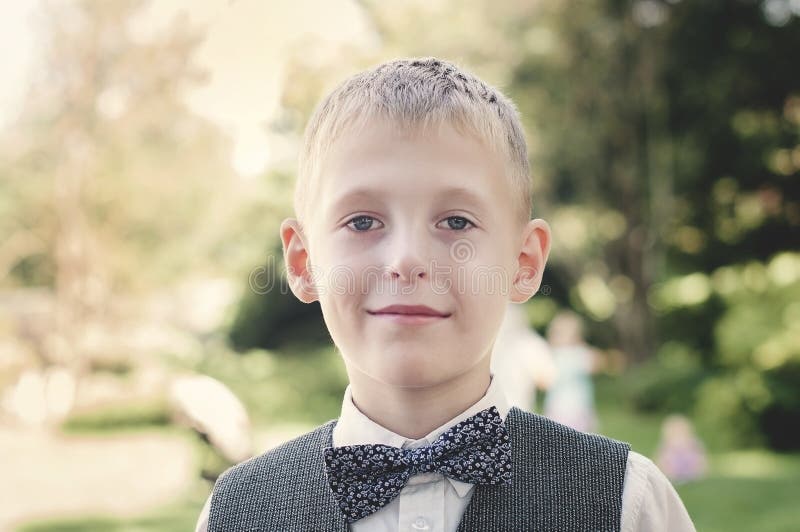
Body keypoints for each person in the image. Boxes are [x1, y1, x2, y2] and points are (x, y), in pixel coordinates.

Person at [196, 57, 695, 531]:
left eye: (456, 221)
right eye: (363, 221)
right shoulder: (235, 514)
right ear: (304, 264)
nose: (407, 260)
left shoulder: (629, 502)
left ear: (523, 263)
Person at [490, 302, 555, 412]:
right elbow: (547, 379)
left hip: (486, 412)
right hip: (518, 410)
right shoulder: (531, 343)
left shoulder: (484, 342)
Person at [543, 311, 599, 433]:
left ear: (576, 336)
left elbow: (594, 363)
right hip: (556, 408)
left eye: (560, 334)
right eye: (555, 333)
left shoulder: (577, 353)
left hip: (577, 409)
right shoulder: (553, 355)